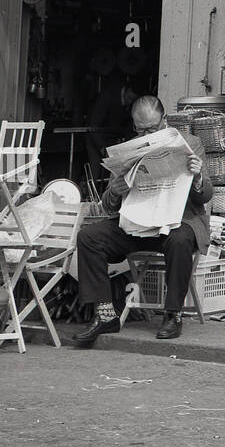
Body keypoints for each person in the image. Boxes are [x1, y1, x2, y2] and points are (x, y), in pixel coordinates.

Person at [72, 96, 212, 345]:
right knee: (89, 237)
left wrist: (198, 175)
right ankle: (105, 314)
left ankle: (173, 315)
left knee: (180, 240)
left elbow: (206, 195)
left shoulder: (191, 144)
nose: (146, 133)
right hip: (137, 224)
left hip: (177, 223)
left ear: (165, 120)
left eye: (153, 128)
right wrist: (115, 189)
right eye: (141, 129)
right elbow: (108, 204)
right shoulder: (130, 150)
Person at [86, 79, 136, 177]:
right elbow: (94, 124)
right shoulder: (107, 96)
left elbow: (128, 126)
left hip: (113, 138)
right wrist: (102, 148)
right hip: (95, 136)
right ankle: (92, 191)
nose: (129, 102)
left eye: (132, 100)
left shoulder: (130, 105)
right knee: (95, 169)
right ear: (126, 90)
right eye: (129, 98)